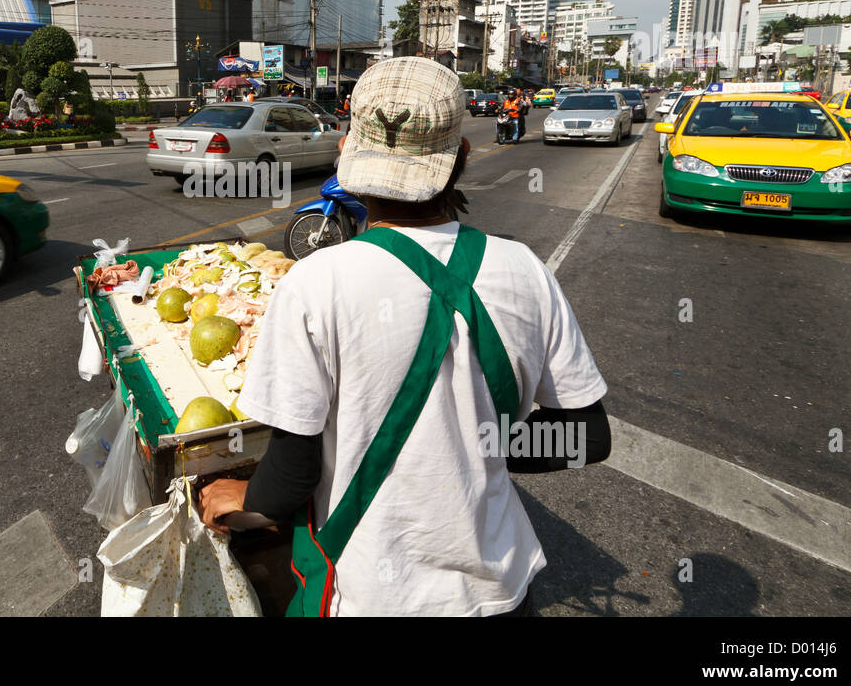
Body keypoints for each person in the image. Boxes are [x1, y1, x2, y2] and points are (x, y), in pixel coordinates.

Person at [199, 56, 611, 617]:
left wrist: (244, 498)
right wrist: (474, 444)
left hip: (377, 594)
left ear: (347, 153)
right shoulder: (524, 269)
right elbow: (587, 436)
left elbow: (293, 474)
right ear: (461, 158)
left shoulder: (317, 281)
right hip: (502, 591)